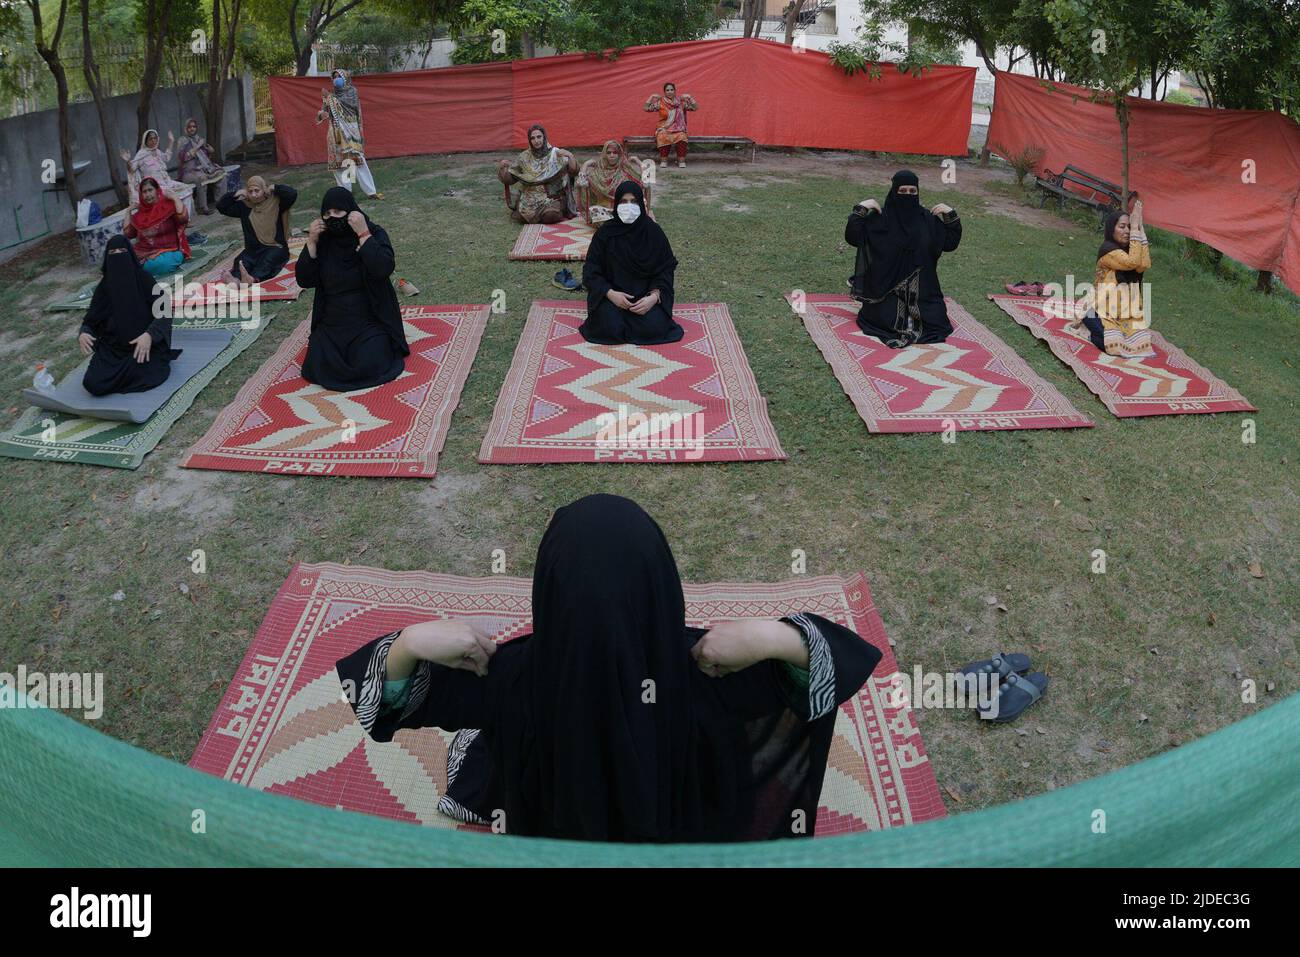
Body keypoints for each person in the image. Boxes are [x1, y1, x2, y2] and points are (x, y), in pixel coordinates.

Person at [336, 494, 883, 843]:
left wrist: (410, 641)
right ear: (661, 588)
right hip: (687, 832)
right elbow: (831, 670)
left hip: (555, 835)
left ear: (548, 591)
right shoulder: (712, 674)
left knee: (482, 754)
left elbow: (383, 700)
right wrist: (770, 635)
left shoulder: (508, 678)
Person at [297, 187, 408, 392]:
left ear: (351, 212)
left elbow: (383, 268)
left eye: (338, 212)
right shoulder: (323, 241)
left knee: (371, 360)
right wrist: (311, 241)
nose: (333, 218)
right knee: (318, 360)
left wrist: (363, 235)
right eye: (327, 213)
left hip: (369, 317)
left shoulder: (373, 233)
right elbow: (304, 279)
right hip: (333, 319)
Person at [845, 169, 962, 348]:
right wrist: (862, 207)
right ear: (894, 192)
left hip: (923, 292)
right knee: (884, 320)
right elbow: (853, 237)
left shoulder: (927, 221)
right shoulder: (881, 219)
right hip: (886, 291)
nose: (908, 195)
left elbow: (950, 243)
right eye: (902, 191)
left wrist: (950, 215)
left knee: (935, 321)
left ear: (917, 192)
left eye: (912, 192)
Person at [579, 181, 682, 345]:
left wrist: (654, 297)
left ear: (641, 203)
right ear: (616, 204)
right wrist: (611, 294)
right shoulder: (605, 234)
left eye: (633, 201)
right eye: (623, 202)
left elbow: (665, 270)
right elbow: (591, 271)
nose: (629, 206)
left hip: (645, 299)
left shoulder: (654, 233)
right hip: (612, 298)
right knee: (608, 326)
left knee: (655, 327)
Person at [77, 235, 180, 396]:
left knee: (151, 374)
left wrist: (150, 335)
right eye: (113, 252)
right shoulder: (104, 287)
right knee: (92, 384)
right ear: (107, 258)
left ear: (130, 254)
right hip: (114, 350)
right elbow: (92, 319)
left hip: (145, 347)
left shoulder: (143, 279)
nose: (118, 256)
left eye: (122, 251)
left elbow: (165, 310)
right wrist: (84, 332)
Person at [1070, 202, 1154, 358]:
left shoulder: (1132, 249)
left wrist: (1140, 227)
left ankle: (1105, 331)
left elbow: (1144, 264)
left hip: (1124, 313)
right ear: (1111, 229)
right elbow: (1132, 263)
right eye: (1122, 227)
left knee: (1139, 345)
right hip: (1098, 309)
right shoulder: (1108, 250)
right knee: (1111, 345)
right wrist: (1136, 228)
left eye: (1130, 227)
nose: (1128, 231)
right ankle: (1087, 329)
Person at [315, 69, 382, 200]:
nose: (336, 79)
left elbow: (346, 105)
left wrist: (328, 97)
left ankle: (371, 192)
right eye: (334, 77)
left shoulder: (352, 92)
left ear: (345, 78)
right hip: (335, 133)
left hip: (351, 131)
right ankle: (346, 193)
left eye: (339, 76)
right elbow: (322, 112)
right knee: (342, 164)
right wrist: (321, 114)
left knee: (359, 161)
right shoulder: (331, 96)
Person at [216, 176, 297, 284]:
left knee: (267, 261)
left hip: (275, 247)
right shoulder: (244, 206)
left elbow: (292, 194)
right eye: (250, 191)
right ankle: (235, 279)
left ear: (264, 190)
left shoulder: (276, 203)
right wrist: (236, 194)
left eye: (257, 190)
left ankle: (252, 279)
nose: (254, 195)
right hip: (253, 249)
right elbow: (221, 207)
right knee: (241, 261)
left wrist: (274, 187)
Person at [497, 124, 578, 224]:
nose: (536, 141)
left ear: (544, 137)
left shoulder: (555, 153)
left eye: (539, 137)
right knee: (519, 217)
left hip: (551, 197)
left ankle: (554, 210)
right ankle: (533, 213)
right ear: (529, 140)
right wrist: (503, 168)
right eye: (533, 138)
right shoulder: (524, 157)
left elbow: (573, 171)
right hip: (529, 198)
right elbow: (512, 178)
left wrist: (570, 156)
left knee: (551, 216)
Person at [122, 177, 191, 279]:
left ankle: (139, 270)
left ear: (157, 190)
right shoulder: (139, 215)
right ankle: (139, 269)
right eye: (144, 192)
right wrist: (128, 211)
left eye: (150, 190)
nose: (148, 195)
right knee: (122, 259)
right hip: (143, 253)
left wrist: (175, 198)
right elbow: (128, 234)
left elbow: (183, 218)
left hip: (169, 251)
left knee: (157, 264)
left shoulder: (168, 206)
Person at [575, 139, 651, 227]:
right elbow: (582, 184)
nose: (612, 155)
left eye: (615, 153)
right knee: (599, 218)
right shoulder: (597, 173)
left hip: (623, 210)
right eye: (609, 153)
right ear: (604, 154)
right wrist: (586, 164)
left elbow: (646, 183)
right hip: (604, 212)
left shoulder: (625, 171)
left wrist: (638, 161)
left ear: (619, 155)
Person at [119, 129, 189, 206]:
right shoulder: (141, 154)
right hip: (155, 187)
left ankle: (185, 216)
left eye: (155, 138)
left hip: (168, 183)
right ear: (145, 141)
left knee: (187, 189)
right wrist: (128, 161)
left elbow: (166, 158)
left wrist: (171, 141)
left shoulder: (157, 151)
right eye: (150, 139)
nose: (153, 140)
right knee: (173, 197)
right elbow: (132, 169)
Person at [177, 117, 227, 215]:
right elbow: (184, 157)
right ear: (186, 128)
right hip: (188, 172)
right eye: (190, 127)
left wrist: (210, 150)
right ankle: (203, 207)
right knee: (202, 178)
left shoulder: (198, 139)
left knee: (221, 173)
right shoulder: (182, 140)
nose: (192, 129)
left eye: (194, 127)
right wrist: (198, 146)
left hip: (203, 169)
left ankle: (220, 201)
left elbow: (204, 157)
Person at [644, 82, 698, 169]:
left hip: (679, 128)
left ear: (675, 91)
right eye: (667, 90)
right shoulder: (660, 102)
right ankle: (664, 161)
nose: (670, 92)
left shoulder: (681, 102)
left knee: (682, 136)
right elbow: (646, 108)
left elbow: (695, 108)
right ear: (664, 92)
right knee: (662, 135)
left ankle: (681, 161)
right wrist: (651, 97)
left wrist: (690, 97)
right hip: (664, 127)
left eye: (671, 90)